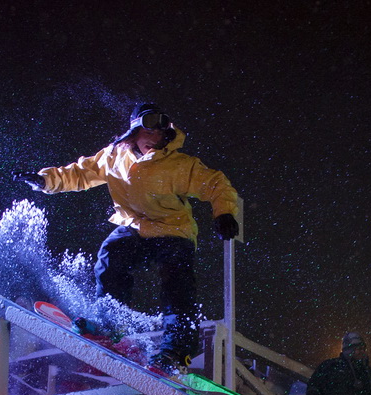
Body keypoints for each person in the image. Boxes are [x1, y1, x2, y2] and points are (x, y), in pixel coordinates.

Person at [13, 103, 239, 375]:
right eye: (148, 138)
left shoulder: (180, 165)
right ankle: (110, 325)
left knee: (176, 283)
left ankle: (177, 348)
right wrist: (45, 180)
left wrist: (224, 212)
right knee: (111, 257)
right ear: (134, 134)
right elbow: (80, 173)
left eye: (160, 139)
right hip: (134, 227)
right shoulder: (113, 157)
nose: (154, 144)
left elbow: (215, 183)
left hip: (173, 230)